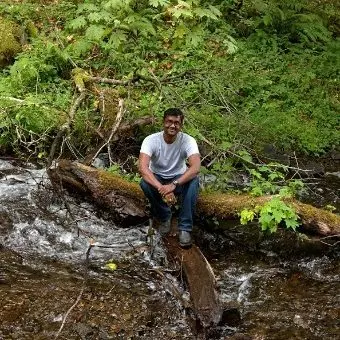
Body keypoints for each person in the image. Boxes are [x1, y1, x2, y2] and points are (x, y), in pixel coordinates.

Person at [138, 108, 201, 247]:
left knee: (194, 181)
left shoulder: (188, 141)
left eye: (176, 123)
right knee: (144, 183)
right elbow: (143, 168)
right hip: (158, 179)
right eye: (169, 122)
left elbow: (196, 167)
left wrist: (174, 185)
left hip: (178, 179)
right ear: (163, 122)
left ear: (181, 125)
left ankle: (185, 228)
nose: (173, 126)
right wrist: (162, 188)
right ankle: (164, 216)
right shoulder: (151, 140)